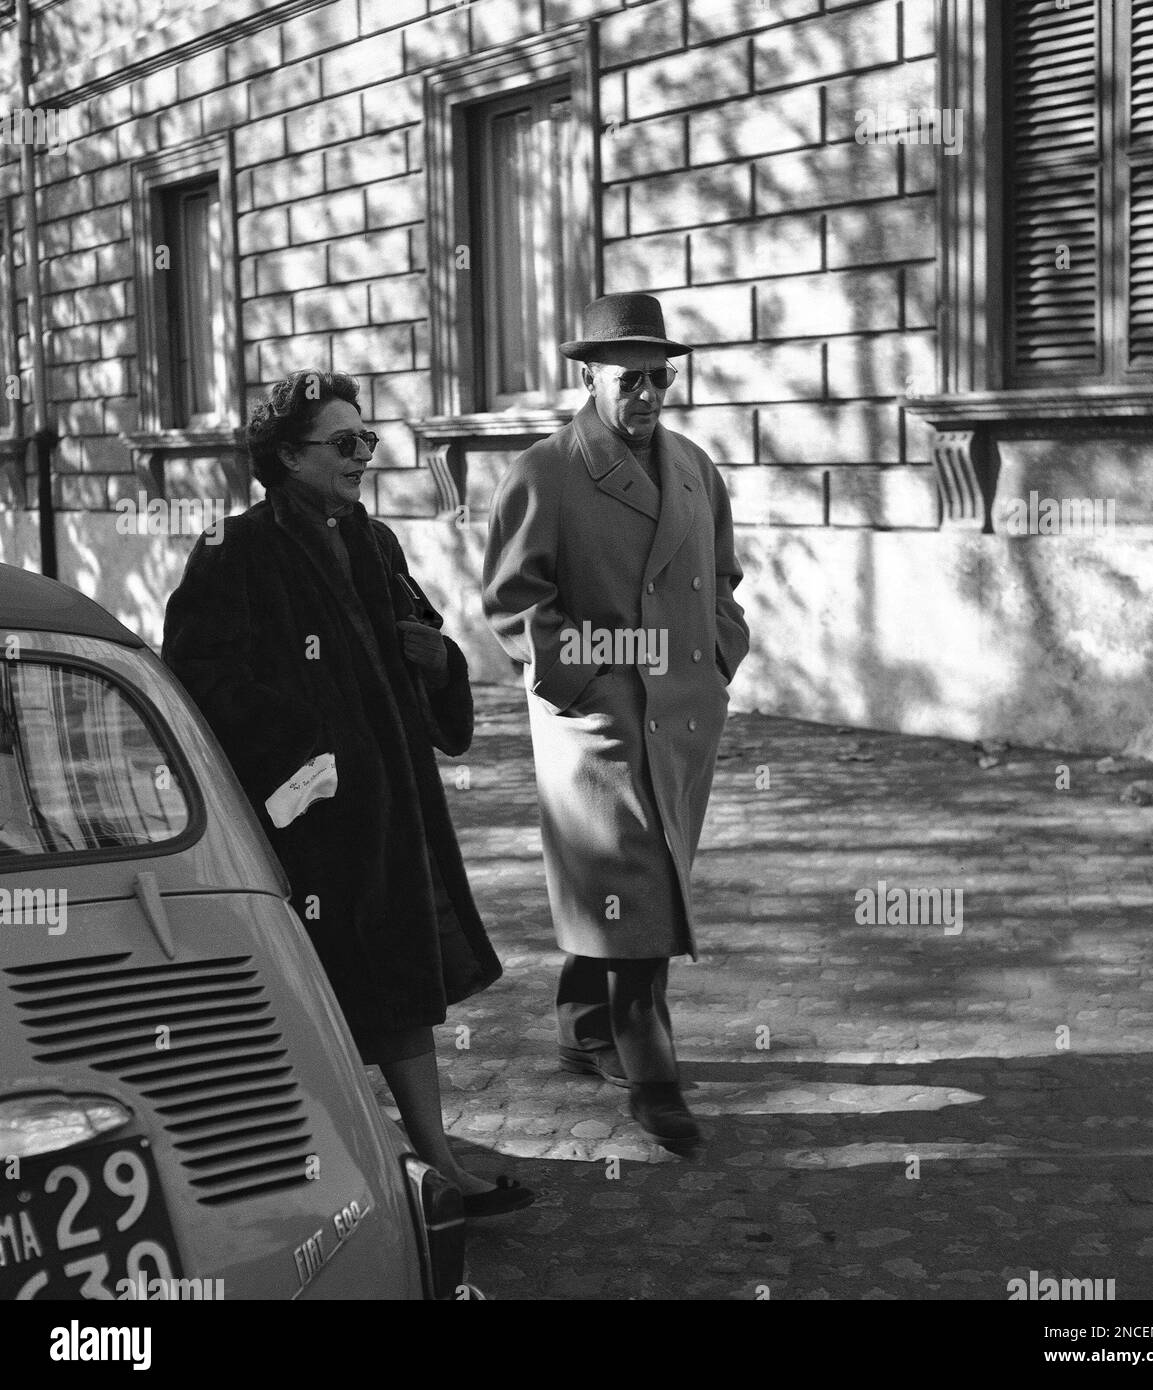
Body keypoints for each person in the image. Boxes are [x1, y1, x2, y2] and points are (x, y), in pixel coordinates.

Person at [163, 368, 533, 1218]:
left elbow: (425, 643)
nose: (362, 455)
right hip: (307, 825)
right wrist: (307, 742)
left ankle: (437, 1166)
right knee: (316, 1005)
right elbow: (199, 674)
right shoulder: (235, 548)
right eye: (343, 442)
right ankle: (344, 1174)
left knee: (401, 986)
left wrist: (440, 665)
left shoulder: (375, 544)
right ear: (287, 456)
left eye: (366, 439)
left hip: (392, 812)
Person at [482, 293, 750, 1153]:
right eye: (629, 379)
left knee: (634, 880)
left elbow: (724, 577)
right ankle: (651, 1071)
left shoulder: (695, 467)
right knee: (640, 887)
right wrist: (594, 684)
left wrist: (718, 657)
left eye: (660, 379)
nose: (647, 396)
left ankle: (581, 1027)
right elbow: (514, 605)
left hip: (681, 715)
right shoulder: (546, 472)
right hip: (600, 724)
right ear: (587, 378)